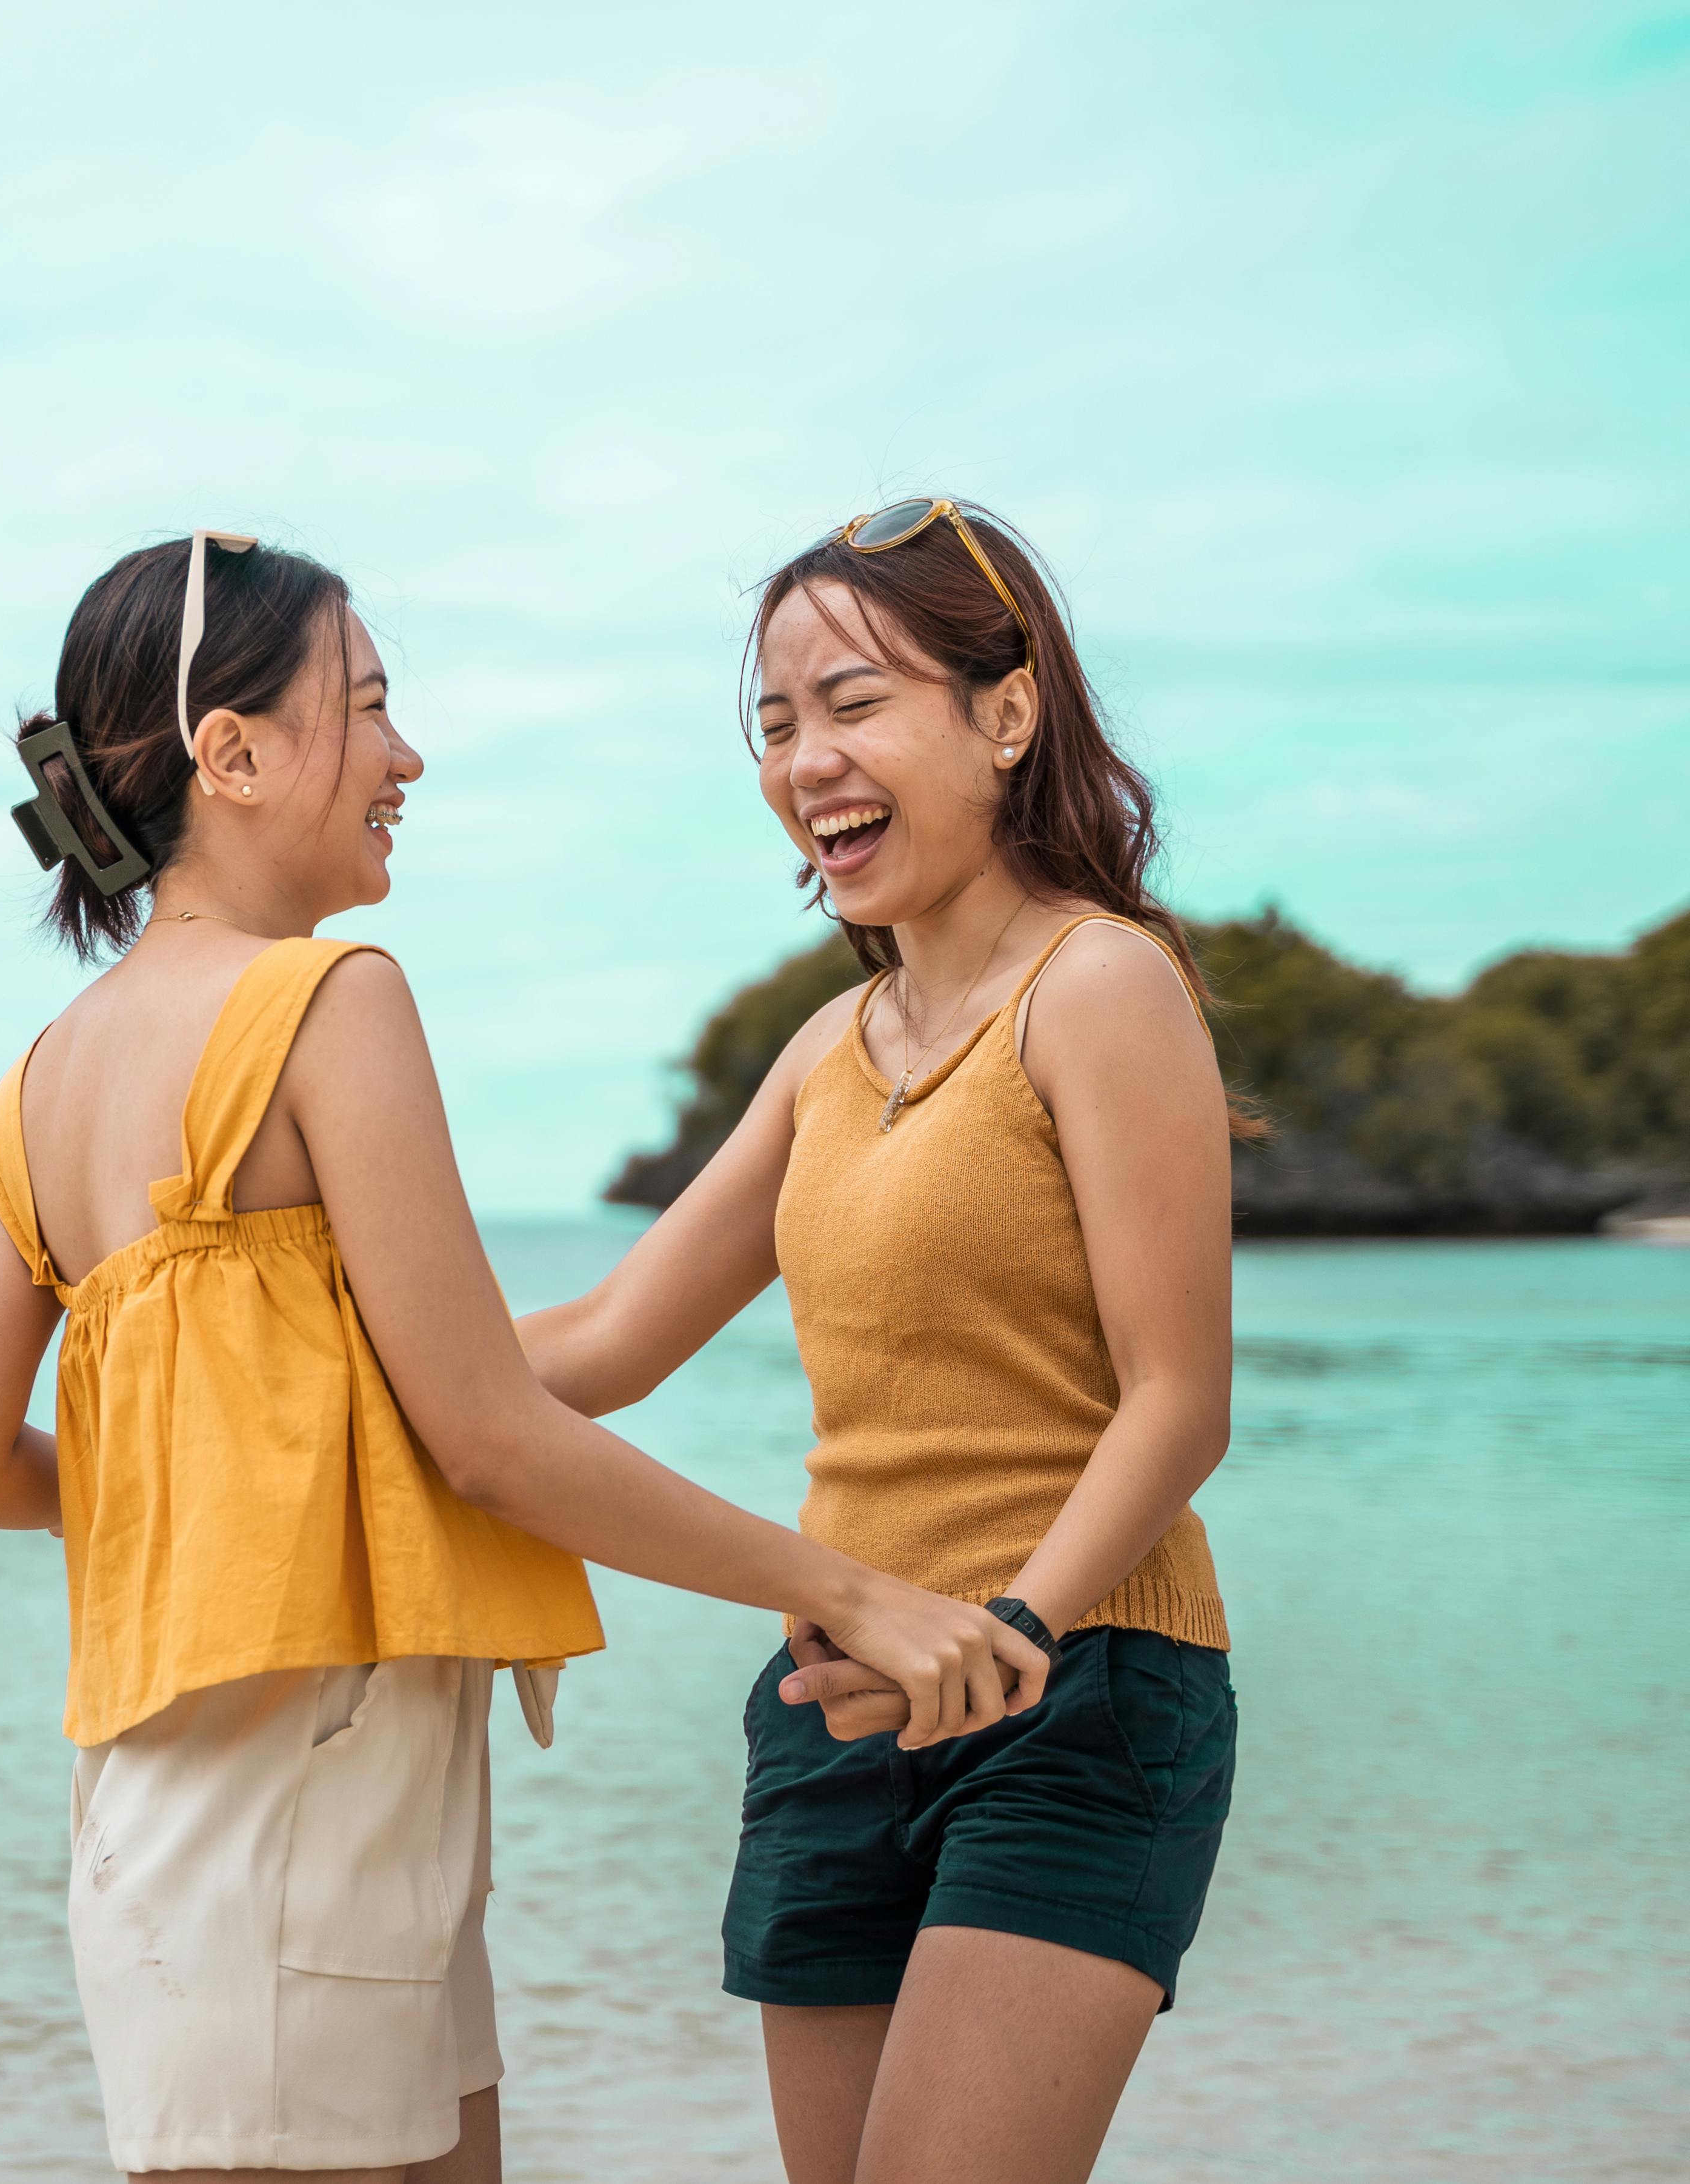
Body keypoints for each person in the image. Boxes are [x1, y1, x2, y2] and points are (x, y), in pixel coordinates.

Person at [0, 531, 1046, 2184]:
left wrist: (222, 1480)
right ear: (233, 754)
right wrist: (853, 1590)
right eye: (365, 710)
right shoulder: (325, 998)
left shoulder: (37, 1084)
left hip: (154, 1817)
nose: (404, 755)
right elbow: (488, 1433)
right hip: (326, 1793)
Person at [521, 499, 1245, 2184]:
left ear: (1005, 716)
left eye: (853, 703)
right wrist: (328, 1362)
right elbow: (615, 1339)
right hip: (834, 1709)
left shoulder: (1101, 986)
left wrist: (1015, 1629)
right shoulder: (827, 1049)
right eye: (776, 724)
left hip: (1080, 1690)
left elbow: (1180, 1398)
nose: (806, 760)